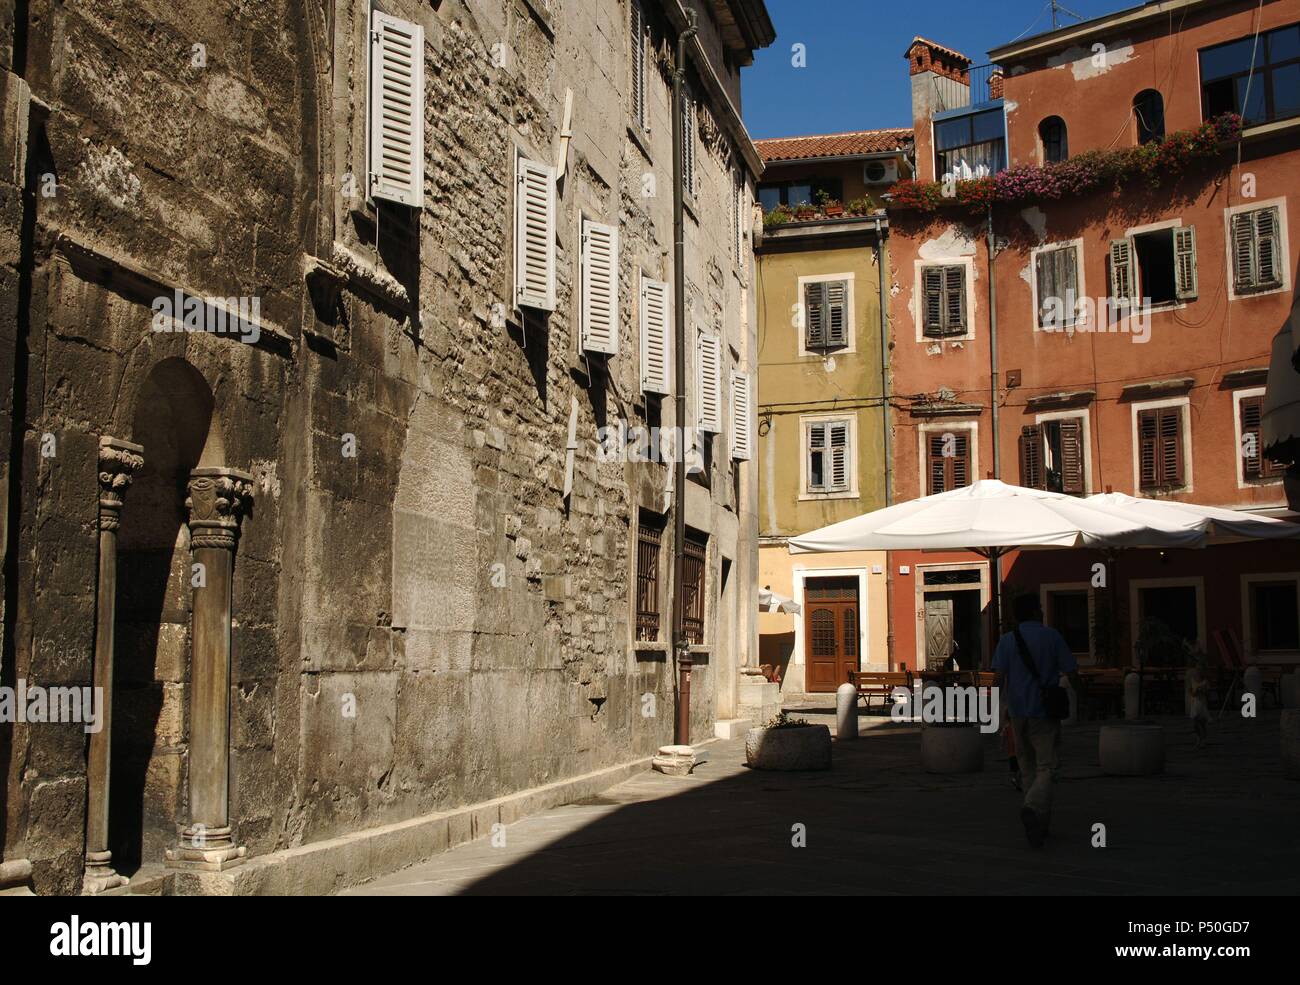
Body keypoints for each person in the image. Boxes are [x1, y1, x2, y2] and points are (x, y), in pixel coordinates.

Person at [992, 593, 1082, 848]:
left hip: (1017, 711)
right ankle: (1033, 807)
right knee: (1047, 766)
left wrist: (998, 709)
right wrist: (1080, 697)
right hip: (1044, 711)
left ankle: (1040, 823)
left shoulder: (1007, 640)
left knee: (1026, 766)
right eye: (1040, 608)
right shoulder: (1051, 636)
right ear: (1034, 611)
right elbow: (1072, 672)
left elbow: (998, 677)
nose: (1043, 611)